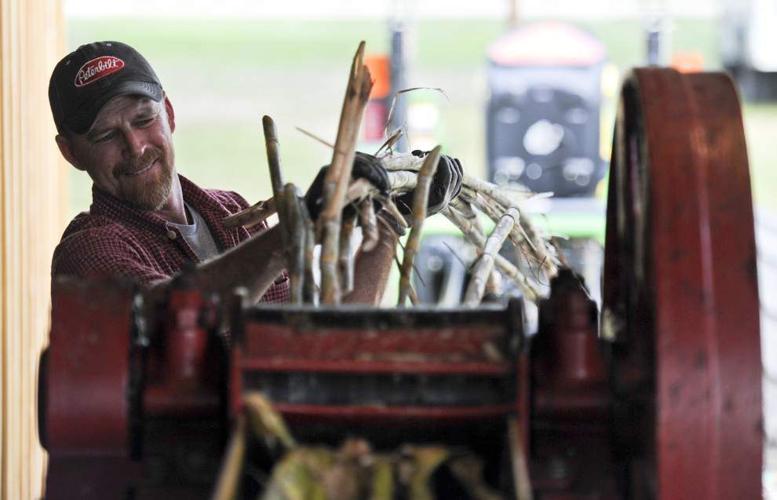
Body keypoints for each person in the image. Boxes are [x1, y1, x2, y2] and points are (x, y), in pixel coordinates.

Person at [48, 41, 462, 305]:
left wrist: (391, 223)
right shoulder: (89, 252)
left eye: (143, 119)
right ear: (71, 153)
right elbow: (176, 314)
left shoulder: (232, 212)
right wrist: (295, 227)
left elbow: (323, 346)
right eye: (105, 135)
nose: (135, 146)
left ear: (169, 114)